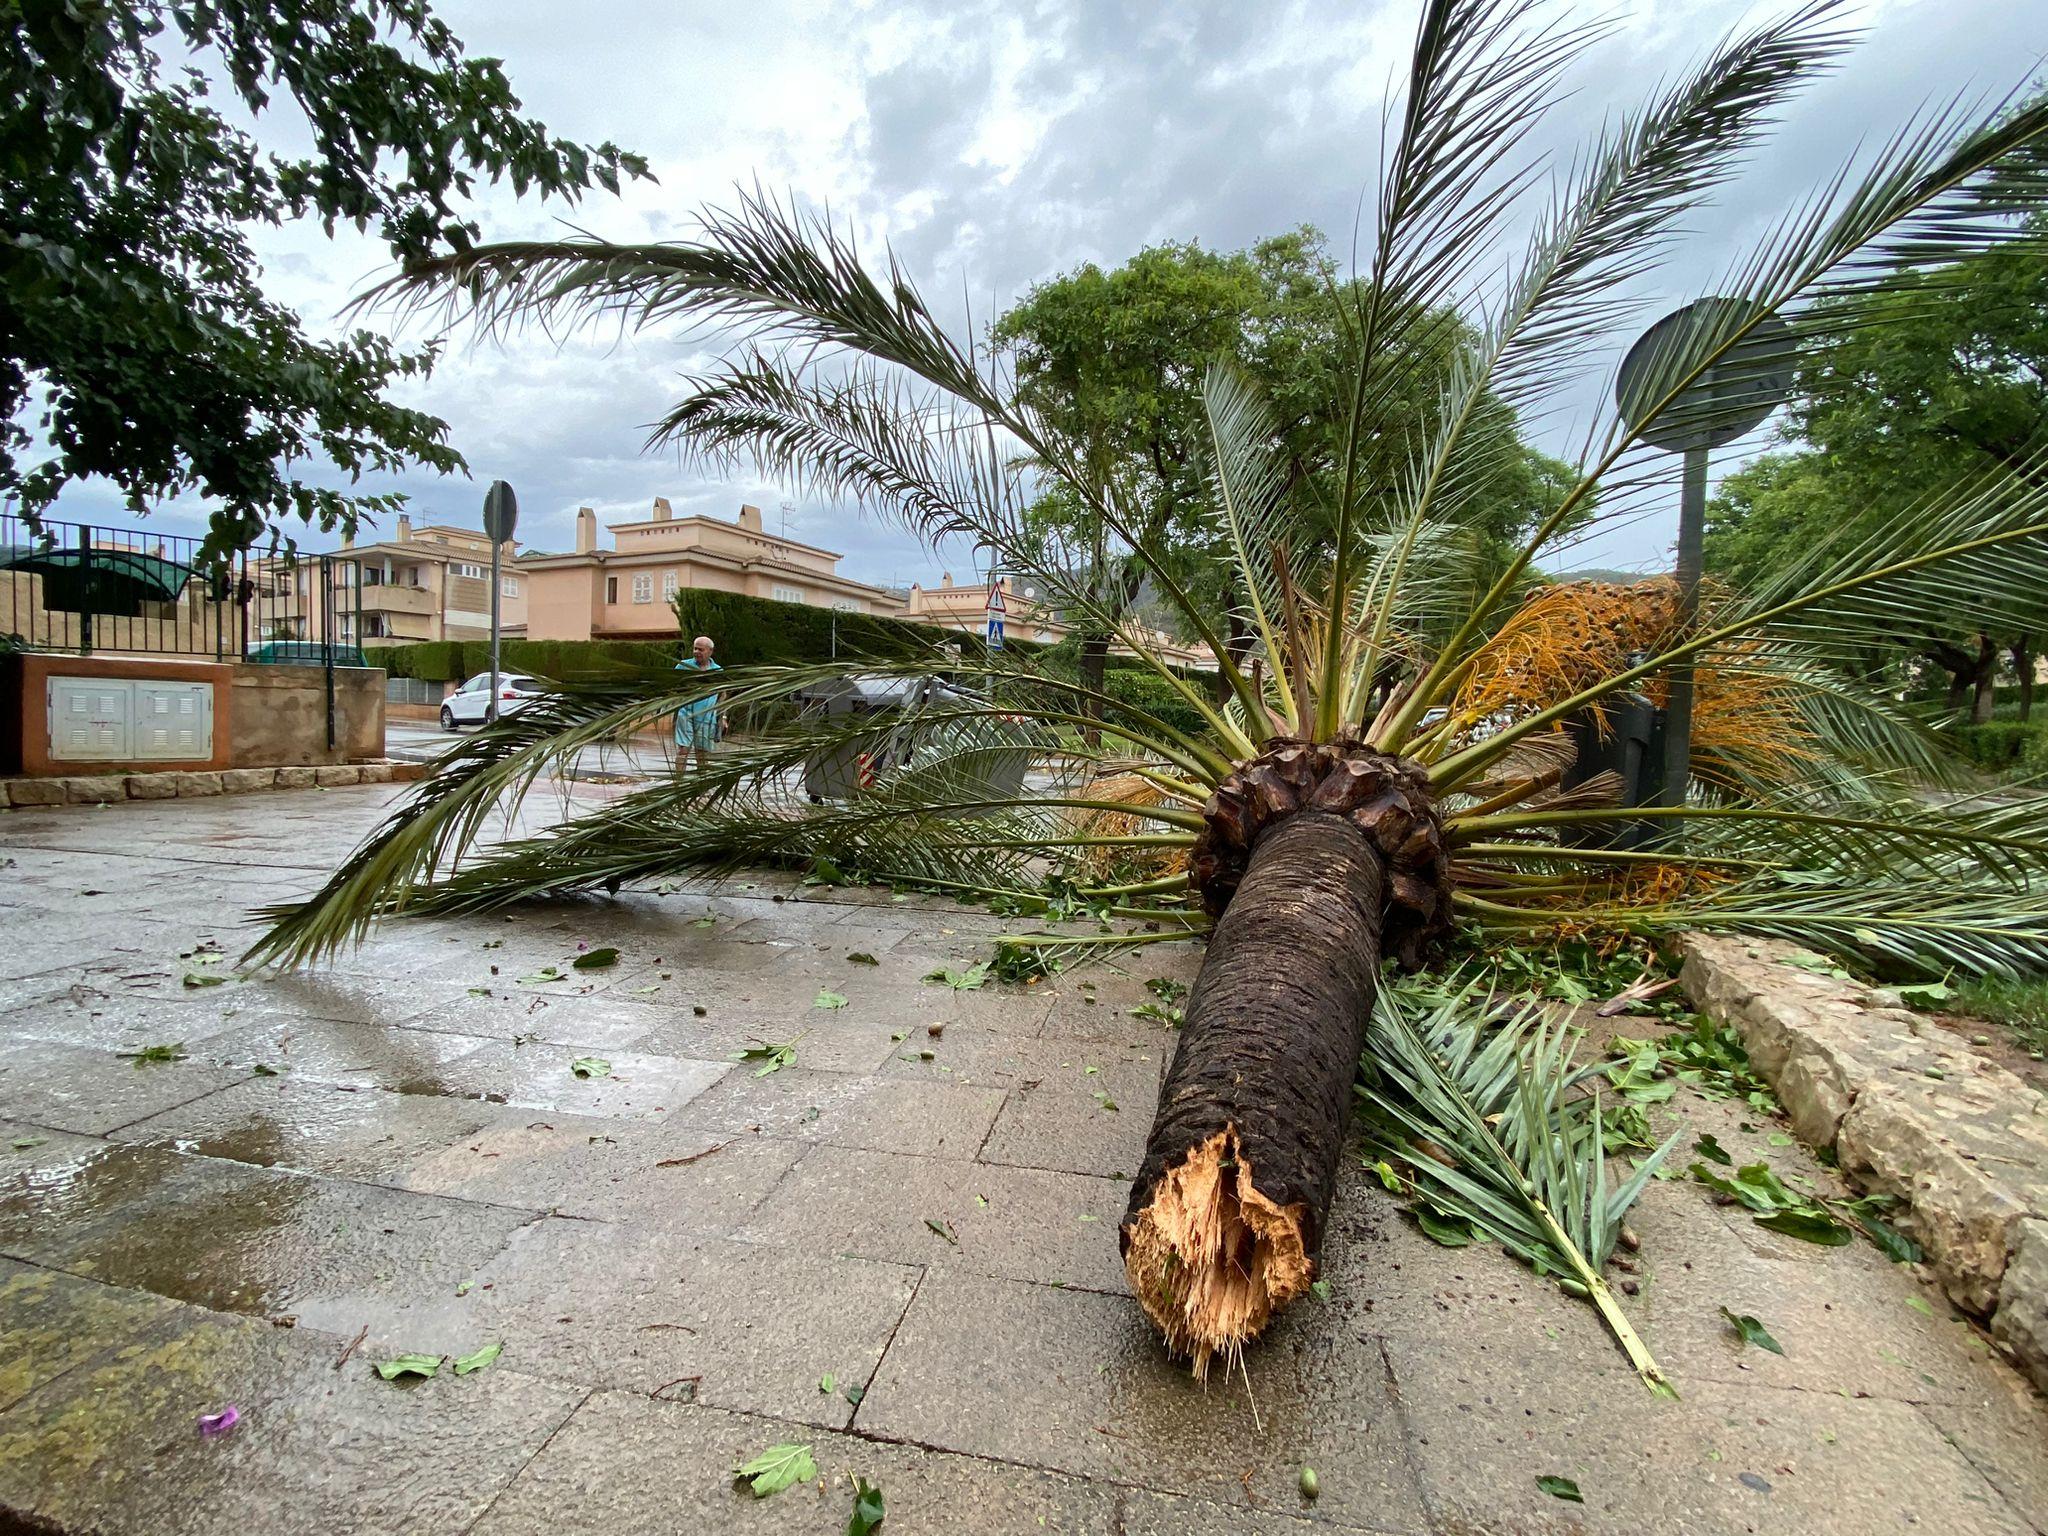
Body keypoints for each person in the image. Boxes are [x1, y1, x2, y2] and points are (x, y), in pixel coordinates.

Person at [674, 634, 723, 772]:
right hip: (686, 715)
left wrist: (722, 717)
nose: (696, 652)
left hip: (707, 717)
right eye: (695, 649)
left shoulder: (718, 671)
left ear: (710, 651)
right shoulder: (683, 666)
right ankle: (678, 784)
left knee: (702, 754)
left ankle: (701, 786)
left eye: (700, 649)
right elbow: (673, 687)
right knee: (683, 750)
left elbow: (722, 695)